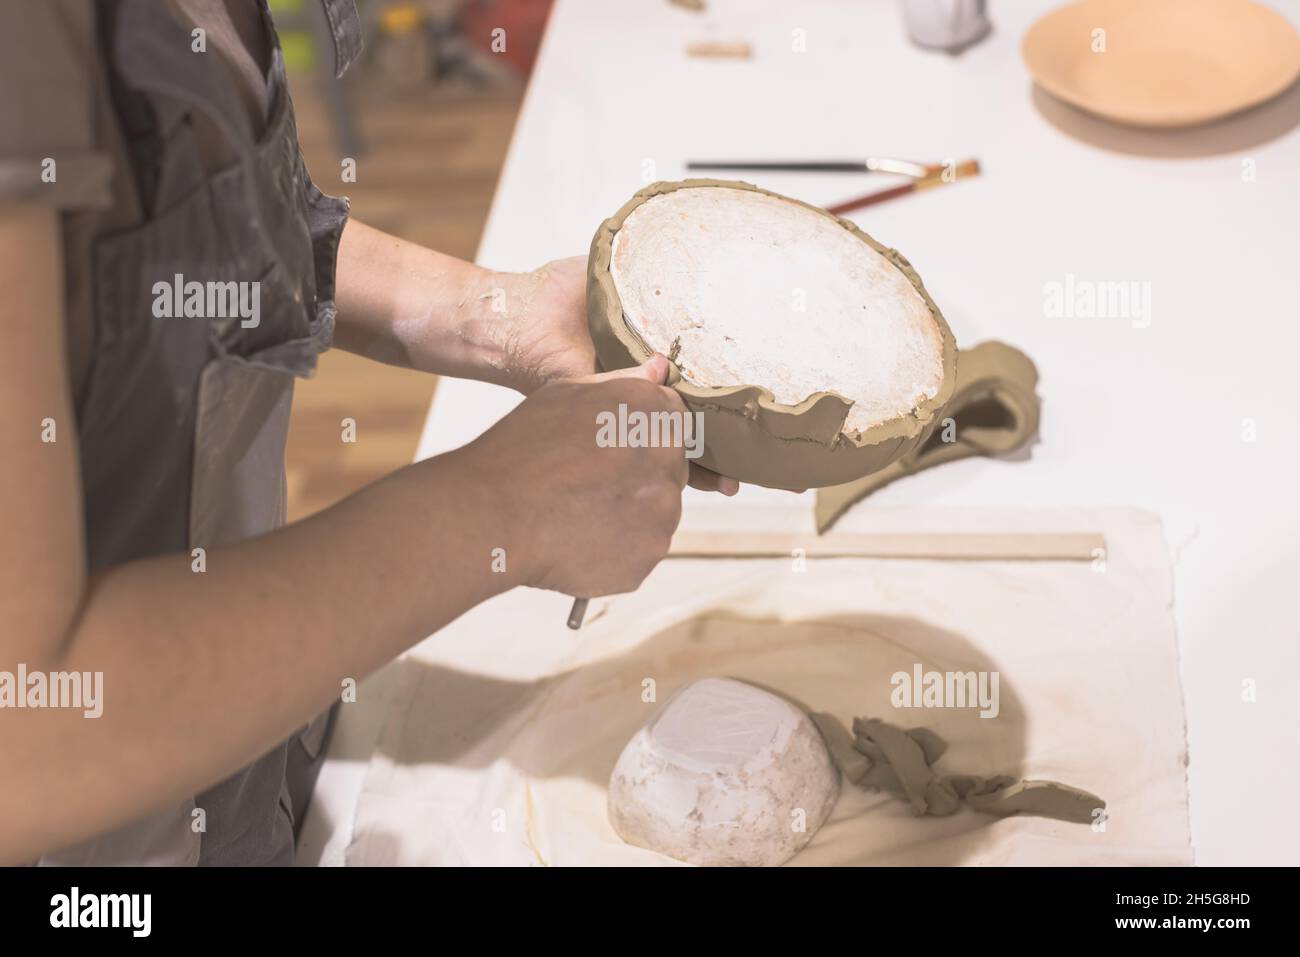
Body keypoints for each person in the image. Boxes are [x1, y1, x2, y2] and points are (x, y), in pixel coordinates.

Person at [0, 0, 734, 865]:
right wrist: (506, 507)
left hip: (244, 723)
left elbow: (185, 251)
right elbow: (32, 738)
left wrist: (491, 316)